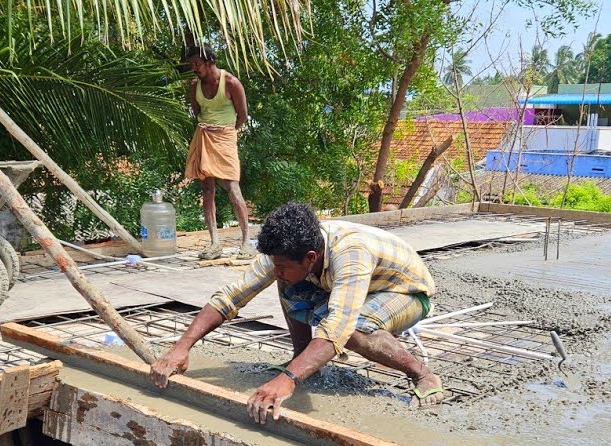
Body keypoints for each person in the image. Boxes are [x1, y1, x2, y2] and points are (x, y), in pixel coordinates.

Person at [151, 202, 446, 423]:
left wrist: (287, 380)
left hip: (404, 292)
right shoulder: (285, 253)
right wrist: (181, 347)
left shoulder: (351, 254)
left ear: (310, 258)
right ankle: (304, 358)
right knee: (287, 285)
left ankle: (422, 374)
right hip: (350, 286)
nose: (275, 269)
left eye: (282, 265)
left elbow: (337, 328)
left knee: (354, 328)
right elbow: (231, 297)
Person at [182, 44, 251, 261]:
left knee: (232, 187)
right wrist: (210, 130)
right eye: (191, 64)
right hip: (204, 135)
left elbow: (243, 115)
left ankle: (246, 242)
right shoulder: (195, 87)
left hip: (225, 136)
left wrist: (226, 132)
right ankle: (214, 243)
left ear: (210, 62)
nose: (194, 68)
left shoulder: (230, 82)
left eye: (197, 64)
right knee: (207, 188)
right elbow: (197, 112)